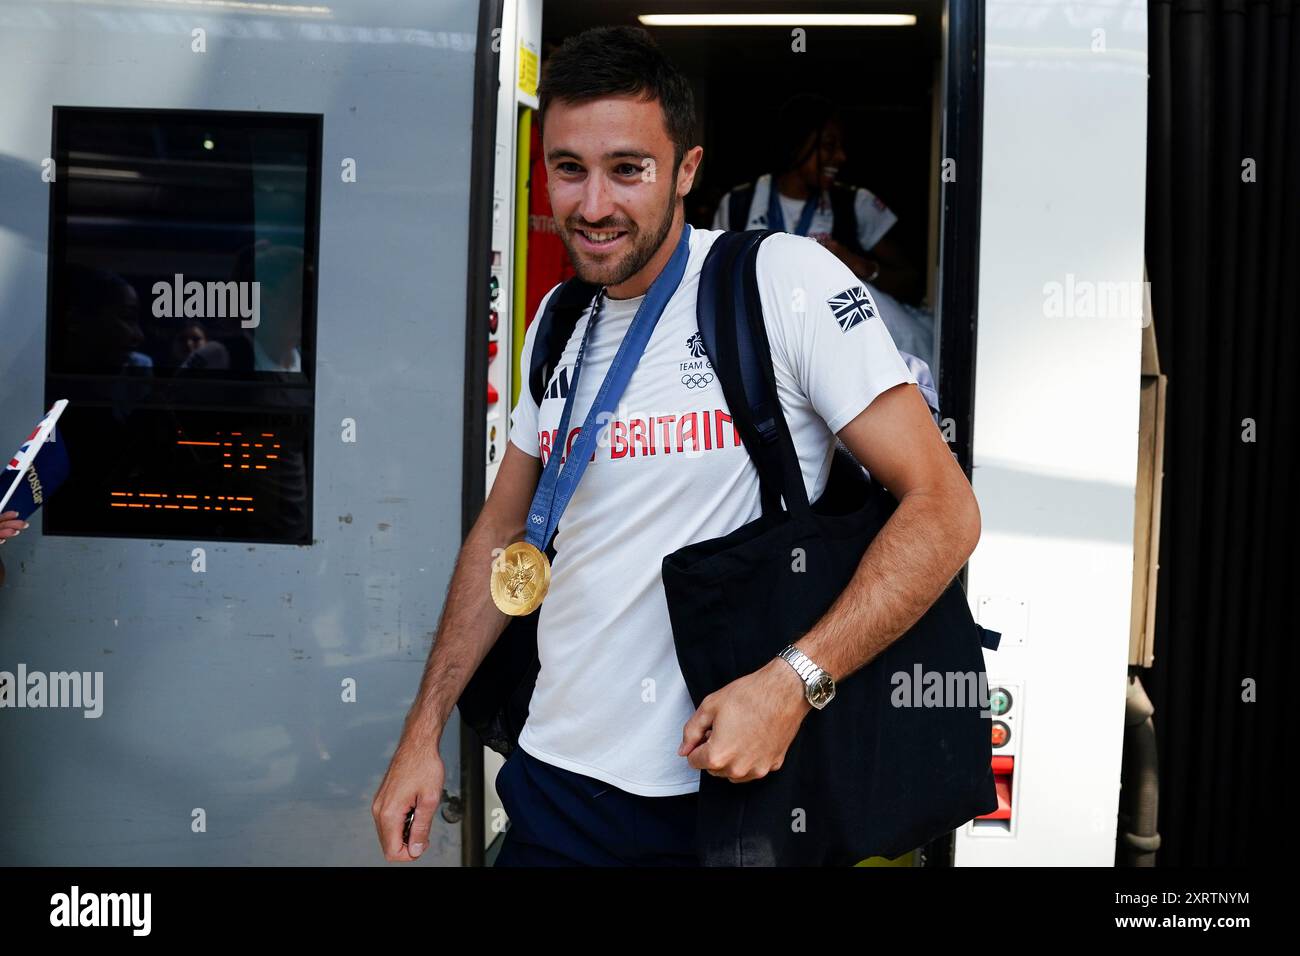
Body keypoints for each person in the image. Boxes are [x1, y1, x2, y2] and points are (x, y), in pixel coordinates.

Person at [372, 25, 980, 867]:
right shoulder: (558, 321)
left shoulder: (783, 282)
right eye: (568, 168)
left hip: (729, 802)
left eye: (628, 168)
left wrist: (793, 683)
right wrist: (421, 732)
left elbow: (945, 510)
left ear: (687, 170)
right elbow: (501, 534)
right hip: (554, 791)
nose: (591, 206)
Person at [712, 94, 921, 303]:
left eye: (841, 146)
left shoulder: (855, 204)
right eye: (829, 146)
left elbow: (913, 283)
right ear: (796, 145)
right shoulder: (738, 204)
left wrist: (861, 267)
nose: (841, 156)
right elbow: (714, 282)